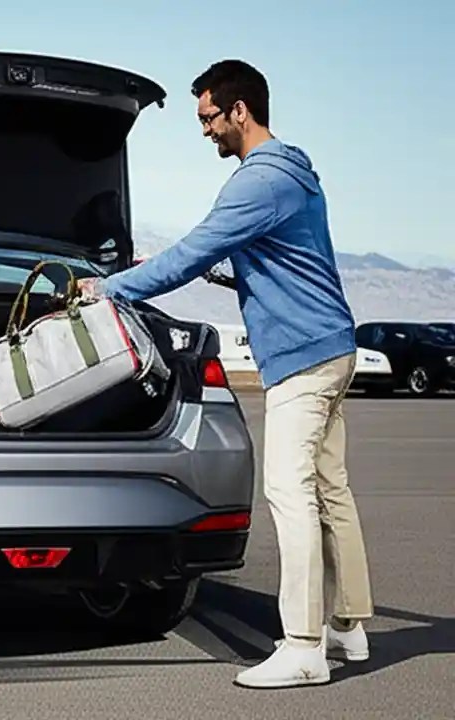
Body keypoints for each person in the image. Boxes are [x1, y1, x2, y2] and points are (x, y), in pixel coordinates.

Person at [81, 59, 373, 688]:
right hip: (333, 345)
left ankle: (301, 646)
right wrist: (217, 271)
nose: (205, 131)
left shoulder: (256, 183)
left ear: (240, 110)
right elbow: (281, 261)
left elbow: (191, 254)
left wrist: (109, 288)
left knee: (289, 492)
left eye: (209, 117)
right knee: (329, 492)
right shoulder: (294, 172)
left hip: (302, 356)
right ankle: (348, 627)